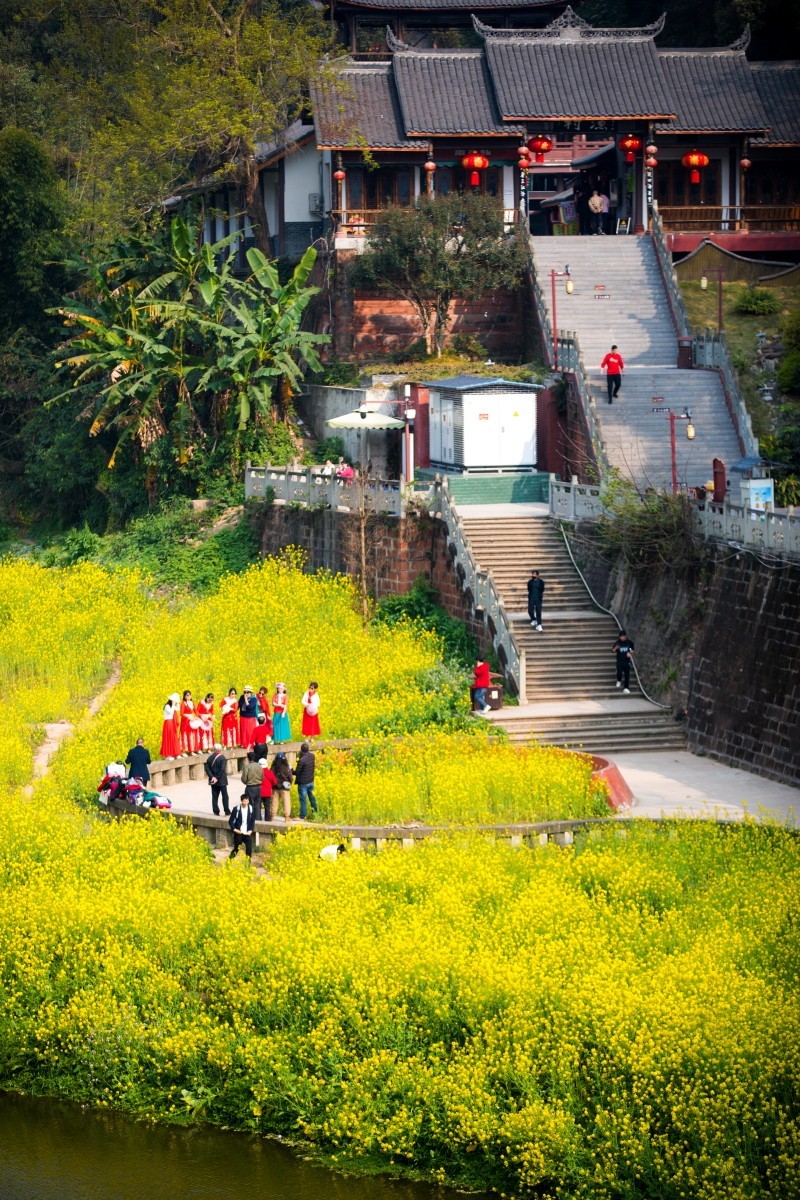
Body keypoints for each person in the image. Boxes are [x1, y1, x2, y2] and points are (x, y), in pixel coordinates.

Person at [205, 742, 230, 817]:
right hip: (221, 781)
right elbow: (222, 769)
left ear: (214, 749)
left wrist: (212, 777)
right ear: (220, 750)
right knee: (225, 796)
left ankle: (216, 811)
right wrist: (217, 778)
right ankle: (226, 811)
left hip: (213, 781)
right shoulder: (222, 758)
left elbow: (207, 768)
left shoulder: (210, 758)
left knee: (215, 796)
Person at [295, 742, 318, 819]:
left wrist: (291, 770)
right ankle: (316, 814)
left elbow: (297, 772)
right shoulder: (312, 756)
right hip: (311, 781)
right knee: (312, 798)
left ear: (301, 750)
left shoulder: (302, 760)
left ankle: (302, 816)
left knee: (303, 800)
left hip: (303, 783)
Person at [229, 793, 255, 860]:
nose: (245, 803)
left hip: (247, 833)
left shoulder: (251, 808)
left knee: (249, 851)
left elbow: (252, 821)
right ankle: (229, 861)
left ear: (248, 801)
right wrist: (235, 829)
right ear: (241, 801)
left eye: (247, 801)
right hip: (239, 833)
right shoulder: (236, 809)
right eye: (244, 801)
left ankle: (247, 866)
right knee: (236, 849)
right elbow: (231, 821)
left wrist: (250, 830)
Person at [240, 751, 264, 821]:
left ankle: (250, 819)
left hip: (250, 787)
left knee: (250, 804)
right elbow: (262, 777)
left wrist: (247, 782)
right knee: (258, 804)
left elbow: (244, 778)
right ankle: (258, 819)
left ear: (248, 758)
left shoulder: (247, 767)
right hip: (258, 787)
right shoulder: (259, 766)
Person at [612, 630, 635, 694]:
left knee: (627, 674)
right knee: (619, 672)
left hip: (626, 661)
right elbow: (613, 650)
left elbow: (632, 651)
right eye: (621, 636)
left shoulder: (629, 643)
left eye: (623, 636)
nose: (622, 638)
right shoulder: (618, 643)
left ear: (625, 636)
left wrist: (630, 654)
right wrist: (616, 648)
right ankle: (619, 680)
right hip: (619, 660)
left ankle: (626, 688)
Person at [272, 751, 293, 818]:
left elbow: (271, 776)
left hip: (275, 787)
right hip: (285, 787)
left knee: (274, 802)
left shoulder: (273, 767)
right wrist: (289, 783)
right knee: (286, 802)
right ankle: (287, 817)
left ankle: (272, 816)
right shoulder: (286, 767)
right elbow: (290, 777)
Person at [238, 686, 259, 750]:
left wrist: (246, 699)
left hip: (250, 717)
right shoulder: (241, 697)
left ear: (251, 693)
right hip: (243, 716)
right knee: (243, 731)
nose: (246, 694)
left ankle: (250, 744)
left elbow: (249, 707)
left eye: (248, 692)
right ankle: (243, 744)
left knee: (249, 731)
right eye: (245, 692)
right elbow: (239, 705)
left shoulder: (253, 699)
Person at [180, 690, 199, 755]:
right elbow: (181, 713)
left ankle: (192, 750)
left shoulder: (192, 702)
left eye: (190, 695)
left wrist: (197, 716)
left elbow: (196, 711)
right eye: (187, 695)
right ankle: (184, 751)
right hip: (185, 721)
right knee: (185, 735)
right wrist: (189, 717)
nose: (189, 696)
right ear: (184, 696)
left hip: (192, 720)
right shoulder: (183, 703)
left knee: (192, 735)